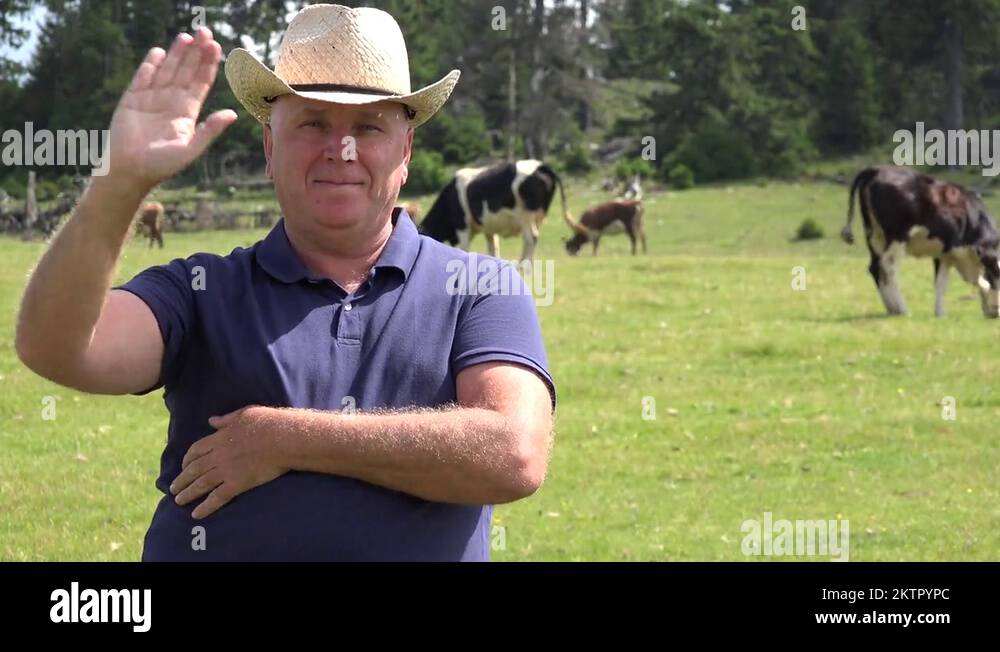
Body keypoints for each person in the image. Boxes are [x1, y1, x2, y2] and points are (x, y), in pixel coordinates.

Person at [15, 4, 555, 561]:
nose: (339, 149)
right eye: (312, 122)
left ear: (406, 152)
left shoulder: (480, 286)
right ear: (270, 148)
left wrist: (284, 439)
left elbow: (514, 453)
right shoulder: (202, 288)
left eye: (368, 126)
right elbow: (57, 347)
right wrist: (119, 183)